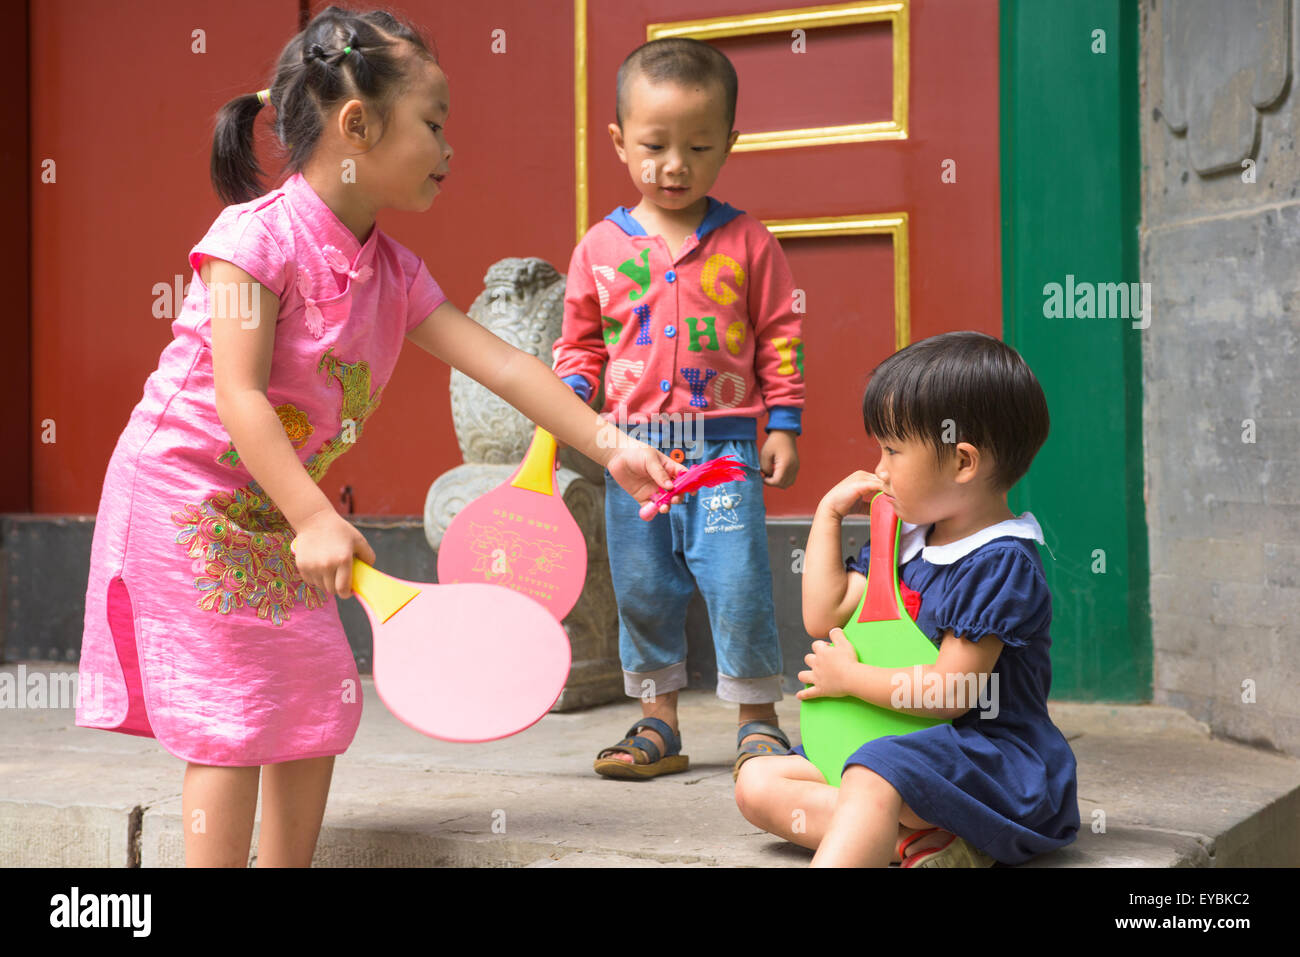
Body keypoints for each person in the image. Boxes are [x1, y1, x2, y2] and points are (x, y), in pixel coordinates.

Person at [74, 5, 683, 867]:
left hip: (284, 518)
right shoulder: (252, 242)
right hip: (185, 505)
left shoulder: (393, 274)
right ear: (357, 124)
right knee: (232, 713)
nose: (448, 148)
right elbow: (240, 395)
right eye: (433, 124)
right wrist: (316, 515)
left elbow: (504, 367)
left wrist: (610, 439)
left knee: (317, 696)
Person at [551, 37, 805, 780]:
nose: (674, 165)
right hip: (634, 452)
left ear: (729, 142)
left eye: (698, 146)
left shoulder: (748, 242)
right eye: (655, 145)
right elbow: (579, 346)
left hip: (724, 449)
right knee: (645, 587)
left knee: (737, 583)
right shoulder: (599, 246)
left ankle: (758, 720)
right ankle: (657, 720)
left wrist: (783, 421)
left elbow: (780, 336)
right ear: (620, 141)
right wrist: (573, 396)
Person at [734, 331, 1080, 867]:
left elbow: (951, 691)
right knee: (757, 781)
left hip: (982, 763)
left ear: (963, 462)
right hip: (889, 744)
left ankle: (903, 832)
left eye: (893, 450)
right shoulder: (904, 539)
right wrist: (827, 516)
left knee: (873, 775)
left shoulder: (999, 561)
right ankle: (919, 844)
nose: (881, 469)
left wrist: (849, 680)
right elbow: (822, 615)